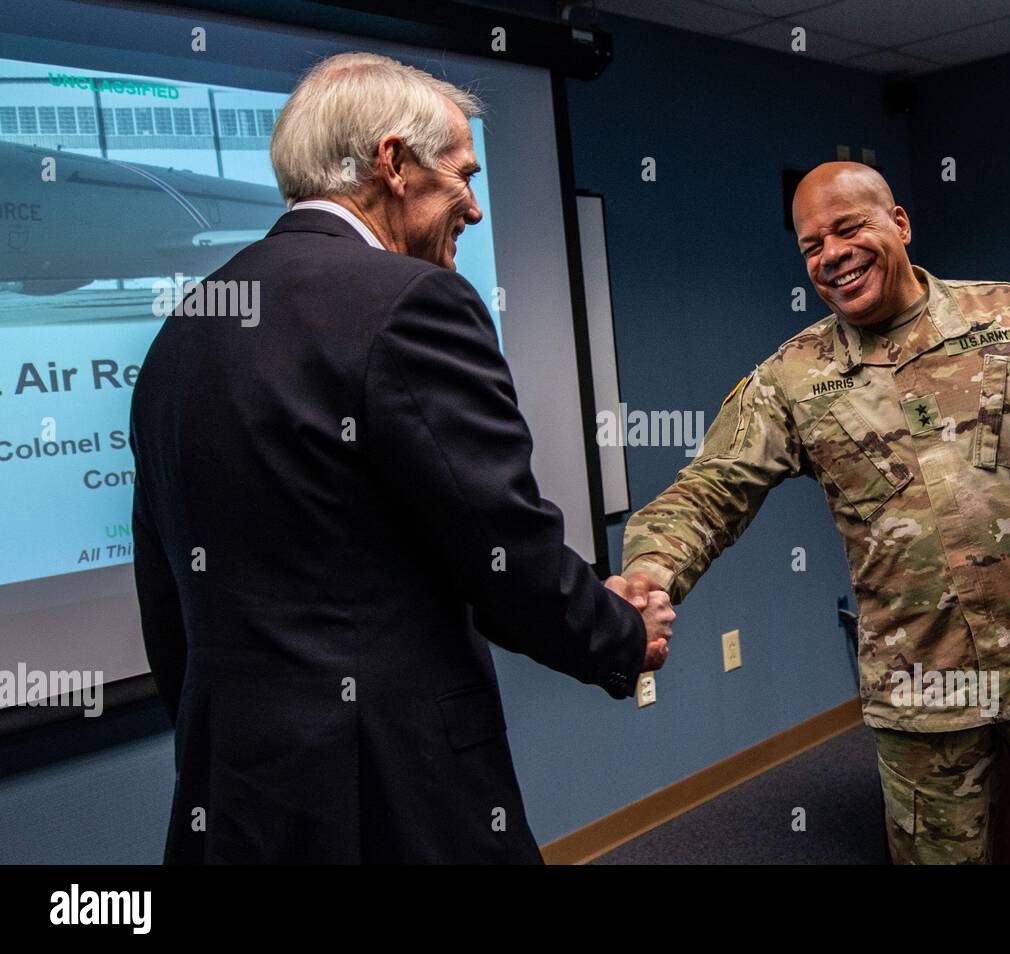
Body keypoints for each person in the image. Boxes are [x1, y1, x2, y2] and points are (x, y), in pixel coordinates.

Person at [130, 51, 673, 864]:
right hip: (393, 793)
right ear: (393, 163)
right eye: (463, 176)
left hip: (233, 792)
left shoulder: (180, 332)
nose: (477, 210)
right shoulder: (413, 304)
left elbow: (166, 596)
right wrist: (620, 632)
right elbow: (502, 550)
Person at [622, 161, 1010, 864]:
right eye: (811, 246)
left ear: (899, 223)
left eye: (848, 228)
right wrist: (649, 572)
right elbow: (712, 488)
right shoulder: (791, 378)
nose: (832, 256)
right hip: (921, 692)